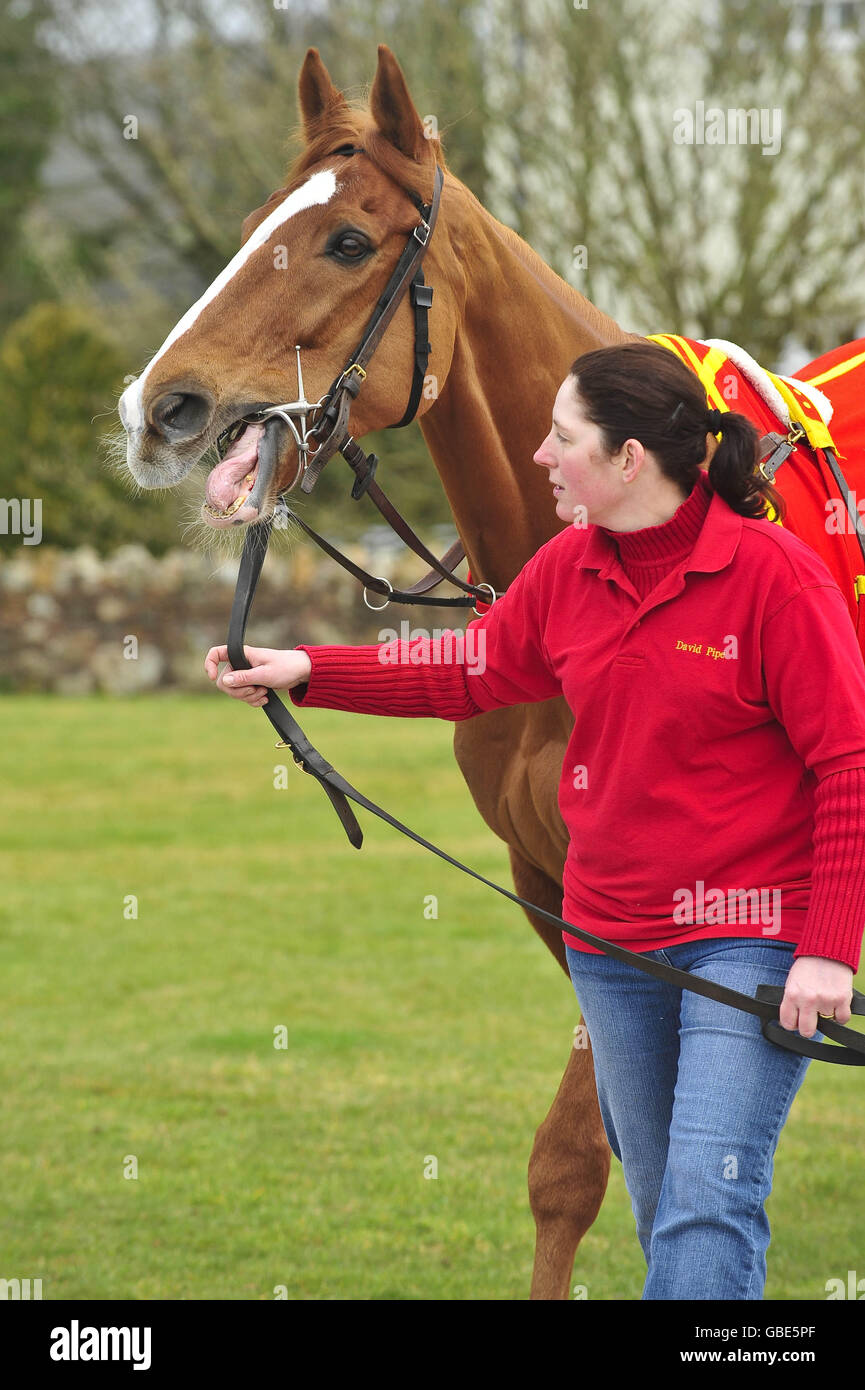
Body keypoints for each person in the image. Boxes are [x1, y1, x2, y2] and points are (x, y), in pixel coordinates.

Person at [205, 339, 865, 1300]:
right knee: (662, 1202)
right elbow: (470, 669)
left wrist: (826, 951)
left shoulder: (776, 579)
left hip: (748, 943)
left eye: (562, 439)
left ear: (628, 459)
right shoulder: (567, 570)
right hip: (612, 948)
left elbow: (847, 765)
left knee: (704, 1201)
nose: (540, 457)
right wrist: (311, 669)